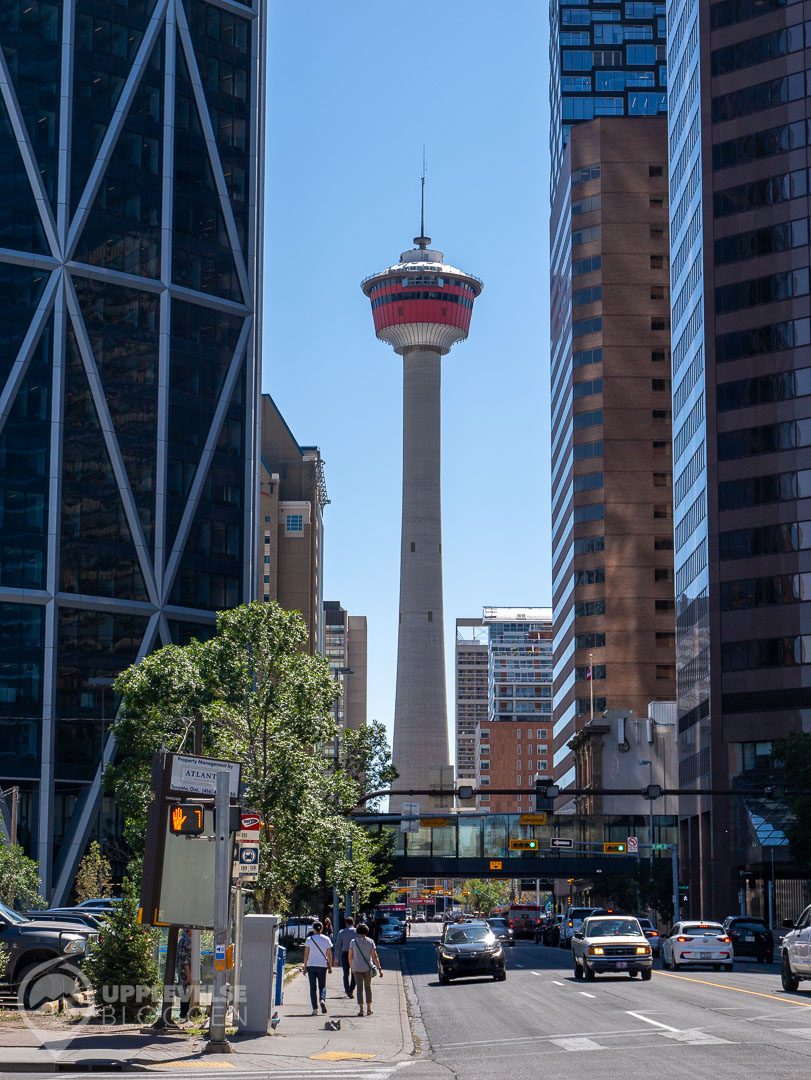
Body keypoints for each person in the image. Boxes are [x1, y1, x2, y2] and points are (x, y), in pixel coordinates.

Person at [348, 922, 382, 1017]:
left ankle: (361, 1010)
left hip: (357, 968)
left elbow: (350, 957)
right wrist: (379, 968)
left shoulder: (353, 942)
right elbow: (374, 956)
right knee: (368, 987)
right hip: (368, 968)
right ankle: (369, 1009)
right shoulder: (370, 942)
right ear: (366, 931)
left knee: (359, 988)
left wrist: (352, 967)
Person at [302, 920, 333, 1015]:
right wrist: (330, 967)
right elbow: (329, 955)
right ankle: (322, 999)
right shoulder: (326, 939)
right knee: (322, 986)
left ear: (313, 929)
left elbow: (306, 954)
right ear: (322, 929)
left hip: (311, 965)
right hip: (322, 965)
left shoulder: (309, 939)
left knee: (313, 987)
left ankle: (315, 1009)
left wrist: (305, 966)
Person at [334, 916, 358, 998]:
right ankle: (351, 989)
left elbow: (338, 945)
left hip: (345, 953)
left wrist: (336, 957)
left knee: (346, 973)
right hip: (355, 953)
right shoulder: (357, 931)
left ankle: (347, 989)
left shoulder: (341, 932)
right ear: (353, 923)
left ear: (346, 923)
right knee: (354, 972)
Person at [176, 927, 192, 1020]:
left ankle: (183, 1014)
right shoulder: (187, 942)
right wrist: (189, 974)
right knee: (186, 992)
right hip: (185, 971)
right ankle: (183, 1014)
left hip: (180, 970)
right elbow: (185, 960)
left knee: (184, 992)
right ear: (188, 931)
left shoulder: (181, 941)